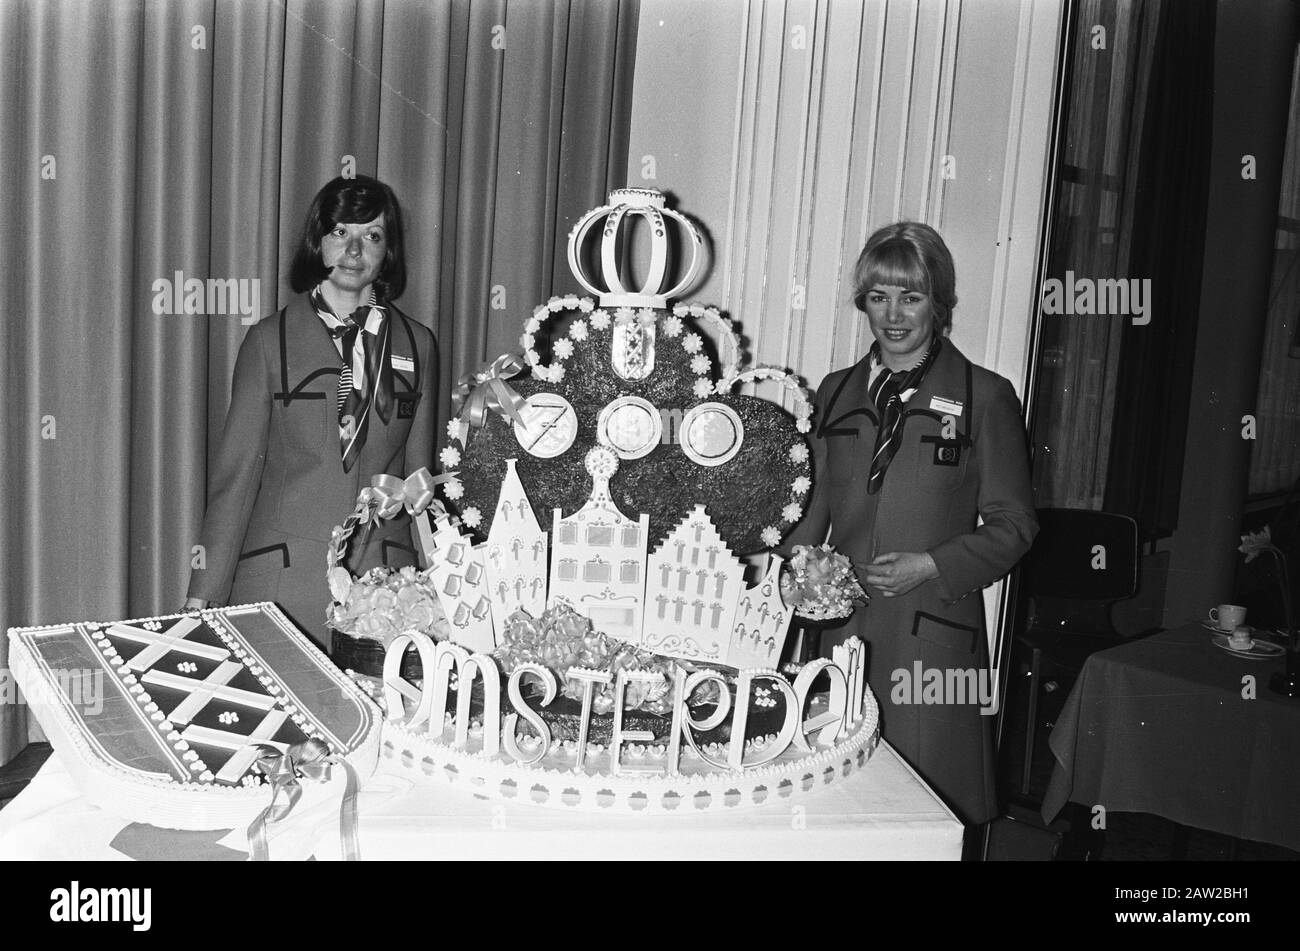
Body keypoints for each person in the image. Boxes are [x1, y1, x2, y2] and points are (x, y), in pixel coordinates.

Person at [786, 221, 1037, 831]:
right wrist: (789, 574)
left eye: (911, 296)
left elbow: (1015, 525)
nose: (893, 315)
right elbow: (810, 509)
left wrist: (932, 564)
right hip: (840, 636)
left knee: (924, 817)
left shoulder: (986, 396)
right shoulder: (836, 391)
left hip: (931, 638)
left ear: (939, 303)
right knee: (834, 806)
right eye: (879, 297)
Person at [184, 175, 439, 648]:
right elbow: (235, 479)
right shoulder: (267, 342)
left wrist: (439, 585)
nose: (355, 250)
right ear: (318, 243)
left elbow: (418, 482)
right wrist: (203, 593)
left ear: (388, 253)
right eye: (341, 232)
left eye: (373, 236)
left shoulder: (418, 345)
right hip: (281, 587)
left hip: (385, 594)